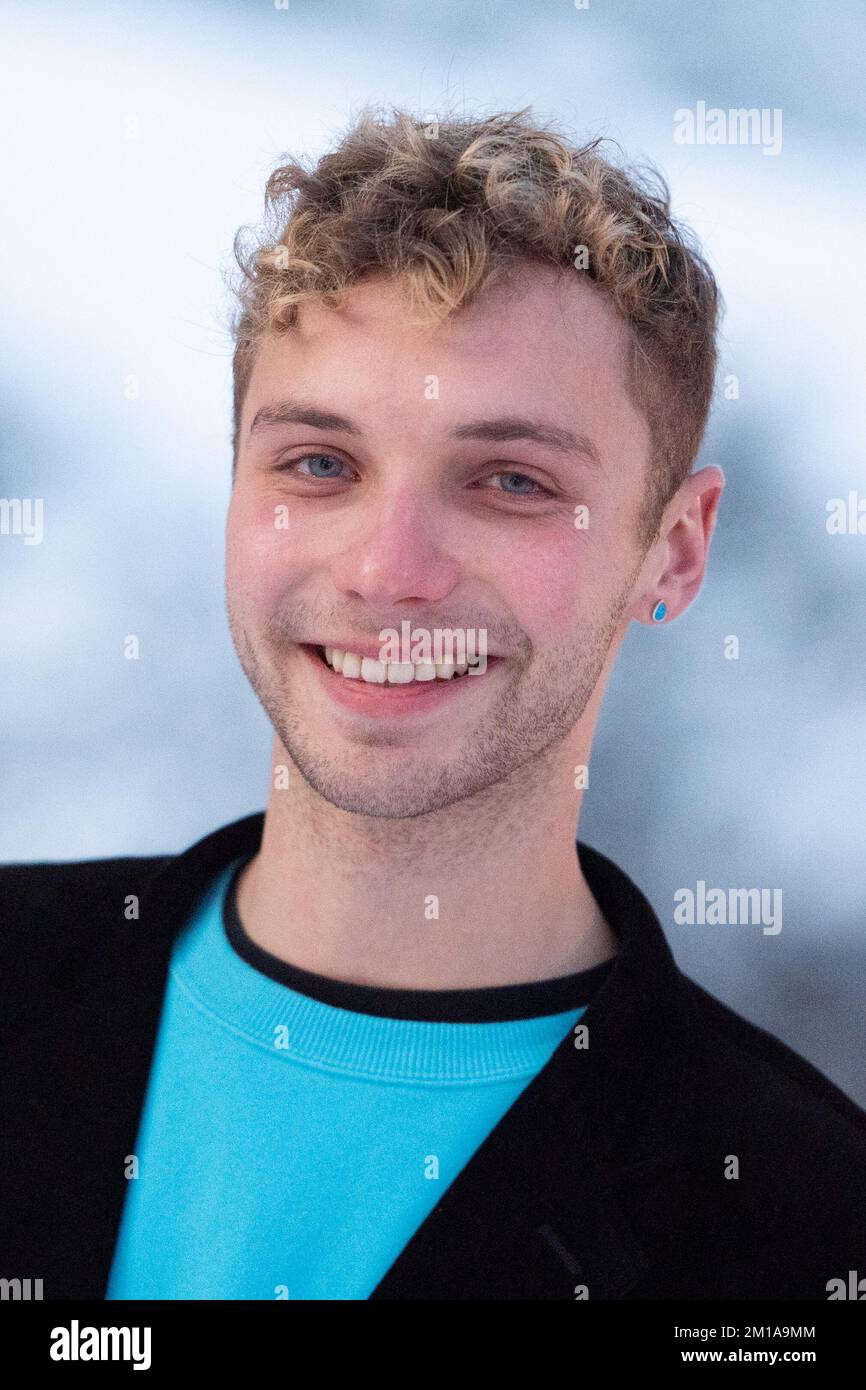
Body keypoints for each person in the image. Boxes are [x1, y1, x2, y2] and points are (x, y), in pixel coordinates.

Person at [2, 106, 864, 1302]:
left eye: (509, 480)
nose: (386, 569)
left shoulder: (804, 1229)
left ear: (672, 549)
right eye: (319, 464)